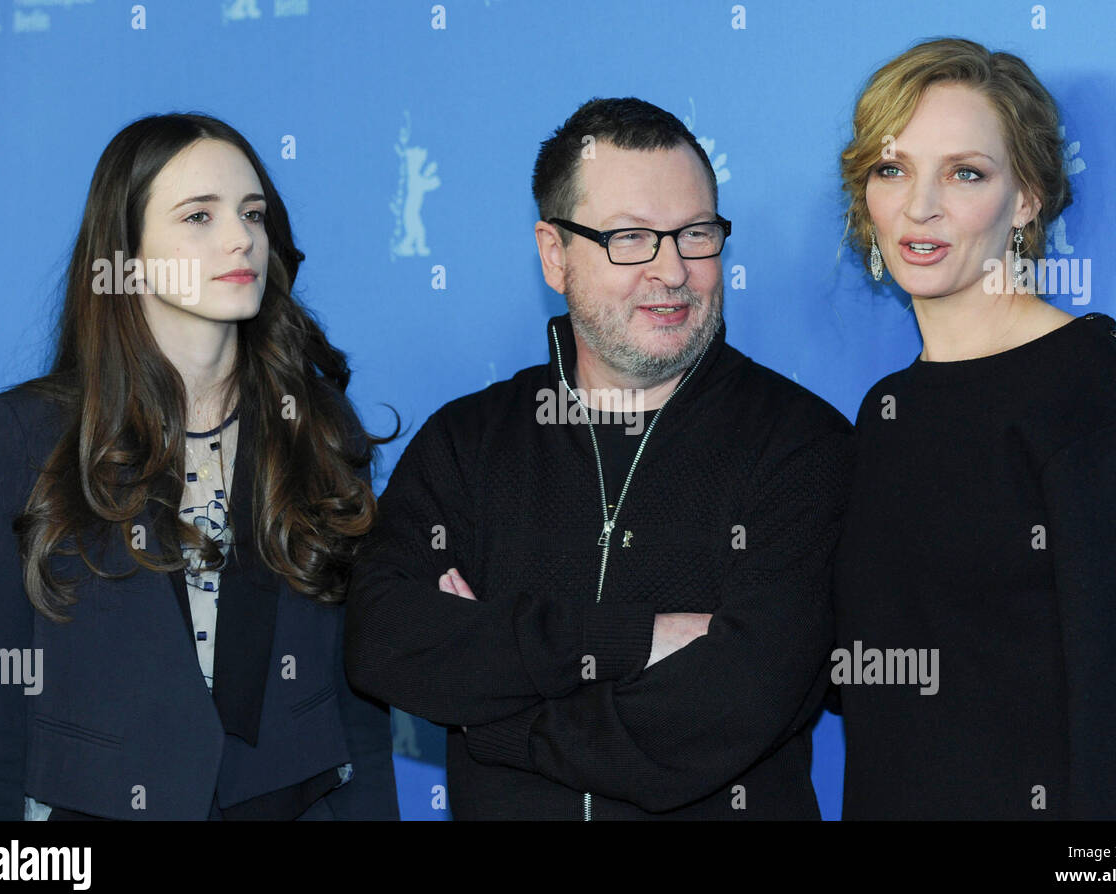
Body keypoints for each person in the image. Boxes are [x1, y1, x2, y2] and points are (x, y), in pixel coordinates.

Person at [344, 97, 854, 820]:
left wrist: (495, 709)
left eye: (696, 234)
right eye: (631, 238)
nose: (673, 271)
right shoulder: (468, 442)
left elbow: (727, 709)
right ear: (555, 254)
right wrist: (635, 639)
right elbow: (384, 641)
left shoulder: (802, 445)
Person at [0, 113, 399, 820]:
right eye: (198, 215)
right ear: (126, 254)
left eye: (253, 213)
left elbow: (357, 704)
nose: (239, 237)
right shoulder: (25, 435)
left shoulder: (316, 424)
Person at [833, 38, 1116, 819]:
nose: (920, 206)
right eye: (892, 168)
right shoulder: (885, 411)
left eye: (965, 173)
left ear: (1029, 197)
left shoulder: (1105, 396)